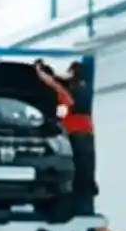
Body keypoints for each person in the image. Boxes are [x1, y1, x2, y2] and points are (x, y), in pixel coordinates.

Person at [34, 60, 96, 214]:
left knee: (72, 167)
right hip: (85, 131)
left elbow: (56, 84)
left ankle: (77, 199)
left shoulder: (67, 90)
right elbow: (58, 81)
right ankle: (86, 194)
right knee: (84, 168)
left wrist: (40, 73)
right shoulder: (82, 88)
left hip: (73, 132)